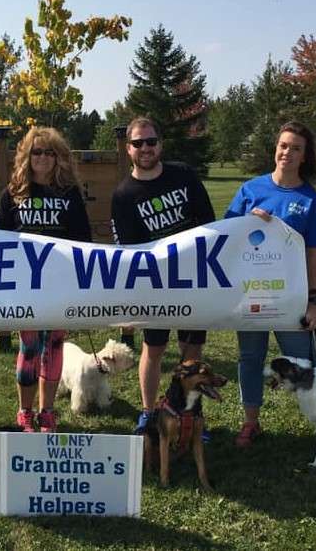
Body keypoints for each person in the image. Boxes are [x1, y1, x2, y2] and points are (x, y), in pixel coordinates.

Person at [225, 120, 316, 448]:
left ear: (304, 157)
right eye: (283, 145)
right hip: (251, 294)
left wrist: (313, 301)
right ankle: (250, 422)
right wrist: (247, 223)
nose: (287, 152)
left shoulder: (310, 200)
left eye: (295, 148)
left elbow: (313, 254)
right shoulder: (250, 190)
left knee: (303, 363)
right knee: (250, 357)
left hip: (291, 297)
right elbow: (225, 239)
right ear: (276, 149)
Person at [109, 116, 216, 436]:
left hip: (192, 278)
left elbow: (209, 223)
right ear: (128, 149)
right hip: (153, 284)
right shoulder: (124, 194)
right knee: (153, 348)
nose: (145, 148)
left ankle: (192, 415)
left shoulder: (183, 175)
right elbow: (128, 249)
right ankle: (147, 411)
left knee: (191, 349)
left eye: (151, 141)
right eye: (138, 143)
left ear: (160, 144)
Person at [0, 127, 92, 432]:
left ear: (59, 157)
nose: (43, 158)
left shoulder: (70, 193)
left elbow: (83, 240)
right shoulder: (13, 193)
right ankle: (25, 411)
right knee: (30, 345)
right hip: (25, 284)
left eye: (50, 152)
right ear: (26, 155)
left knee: (54, 344)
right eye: (37, 151)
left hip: (59, 284)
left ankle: (46, 411)